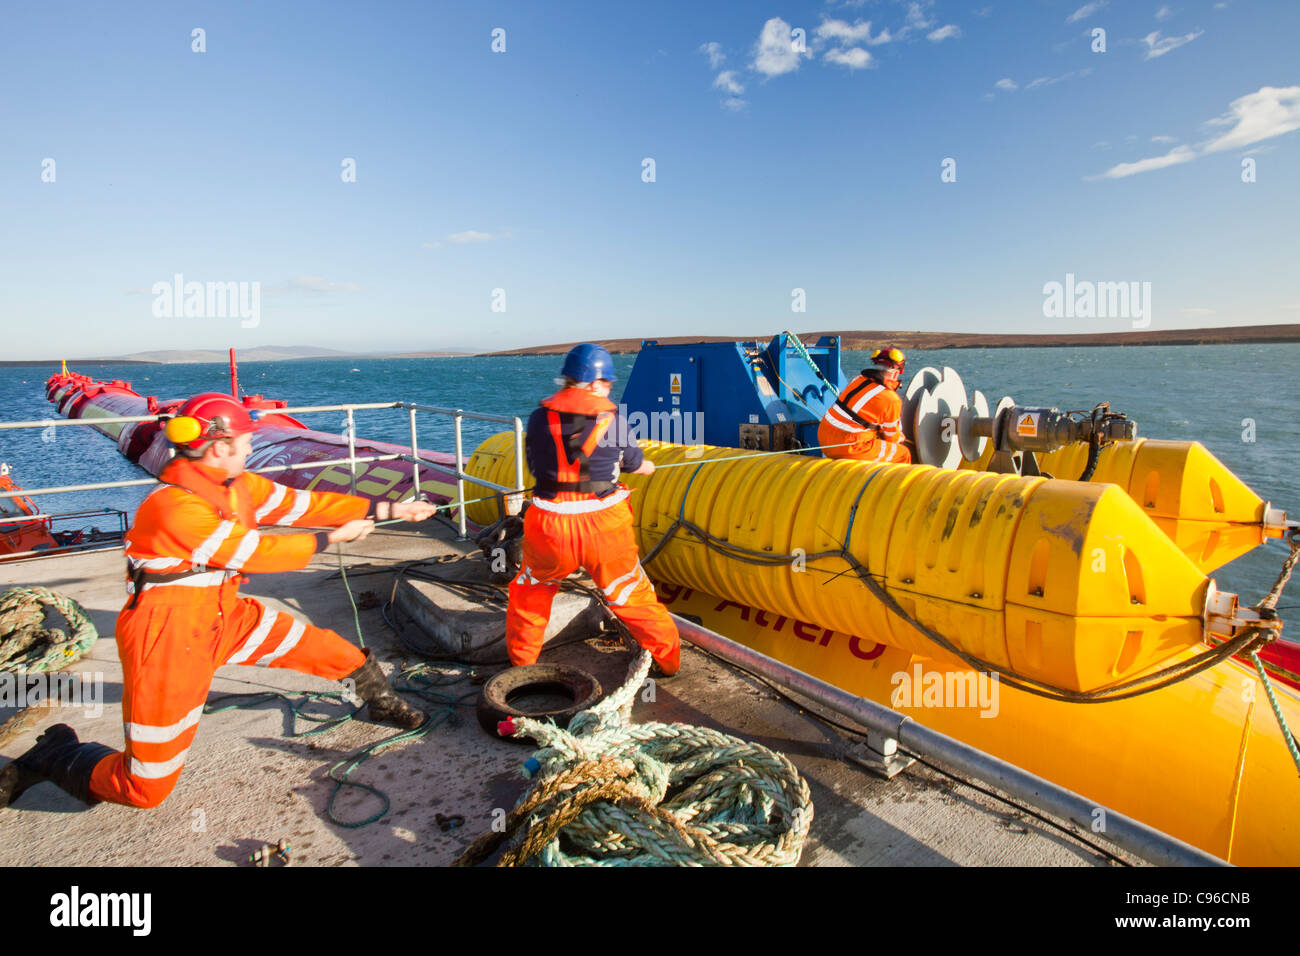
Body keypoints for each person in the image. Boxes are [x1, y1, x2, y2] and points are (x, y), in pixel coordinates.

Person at [0, 392, 436, 810]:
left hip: (223, 612)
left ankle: (380, 700)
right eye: (246, 442)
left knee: (323, 648)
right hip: (167, 636)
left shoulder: (235, 484)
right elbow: (255, 554)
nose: (250, 448)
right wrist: (328, 540)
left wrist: (389, 510)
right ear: (219, 446)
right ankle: (57, 756)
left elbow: (303, 504)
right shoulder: (173, 507)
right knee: (146, 787)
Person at [505, 345, 681, 677]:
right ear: (596, 383)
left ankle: (521, 669)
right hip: (605, 526)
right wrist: (647, 466)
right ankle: (669, 662)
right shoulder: (612, 420)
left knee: (531, 595)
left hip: (550, 524)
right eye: (608, 383)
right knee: (632, 595)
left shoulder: (540, 417)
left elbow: (536, 466)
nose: (609, 389)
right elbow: (633, 463)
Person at [818, 346, 912, 464]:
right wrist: (899, 437)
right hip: (848, 446)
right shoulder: (891, 399)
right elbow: (891, 437)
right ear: (895, 374)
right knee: (903, 454)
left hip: (824, 439)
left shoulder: (858, 380)